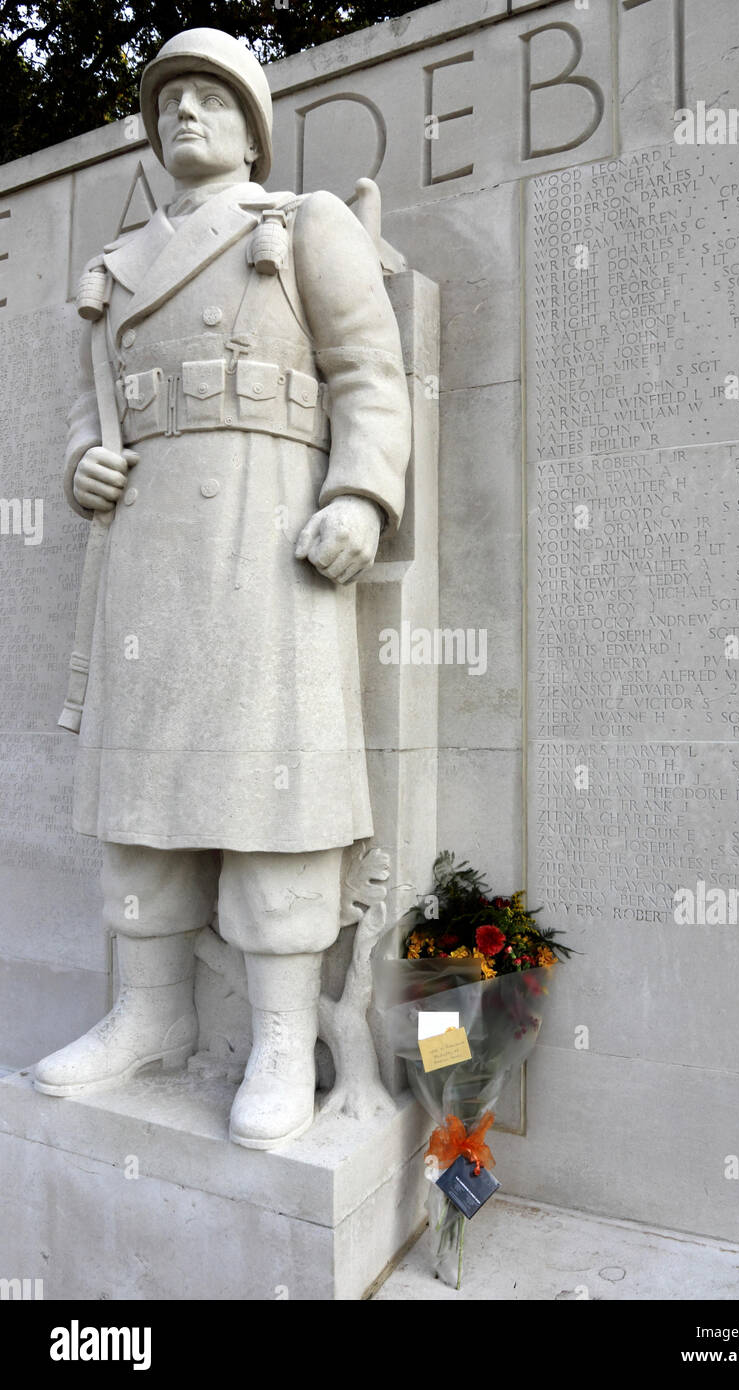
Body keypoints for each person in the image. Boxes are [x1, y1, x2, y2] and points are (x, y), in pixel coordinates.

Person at [33, 28, 411, 1148]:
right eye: (169, 102)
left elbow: (368, 374)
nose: (183, 114)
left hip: (266, 538)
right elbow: (90, 411)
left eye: (209, 97)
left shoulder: (302, 223)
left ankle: (285, 1037)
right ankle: (149, 1012)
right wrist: (82, 464)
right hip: (148, 556)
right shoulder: (115, 268)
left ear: (253, 131)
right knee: (141, 785)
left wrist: (359, 496)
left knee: (273, 785)